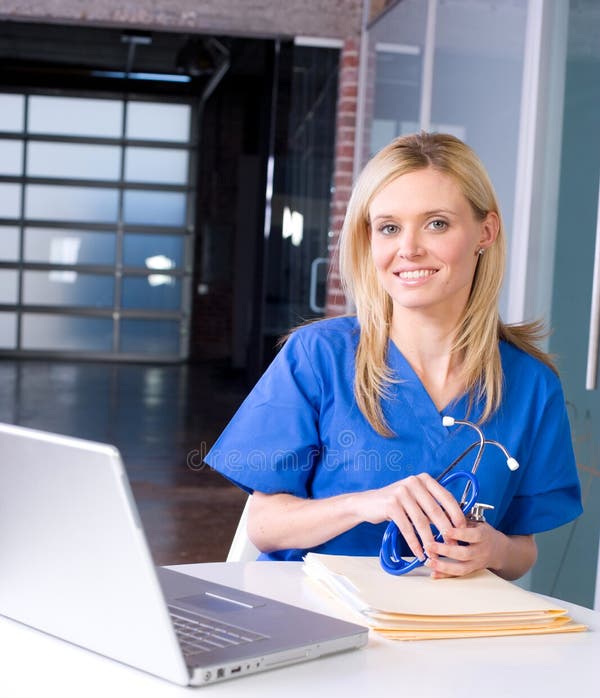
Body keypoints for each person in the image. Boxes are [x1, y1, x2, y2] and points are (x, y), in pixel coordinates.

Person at [204, 132, 582, 579]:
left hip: (442, 630)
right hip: (316, 618)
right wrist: (368, 504)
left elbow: (522, 550)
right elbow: (265, 525)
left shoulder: (530, 384)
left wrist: (491, 549)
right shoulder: (319, 357)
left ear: (486, 231)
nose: (409, 248)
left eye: (436, 223)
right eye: (389, 227)